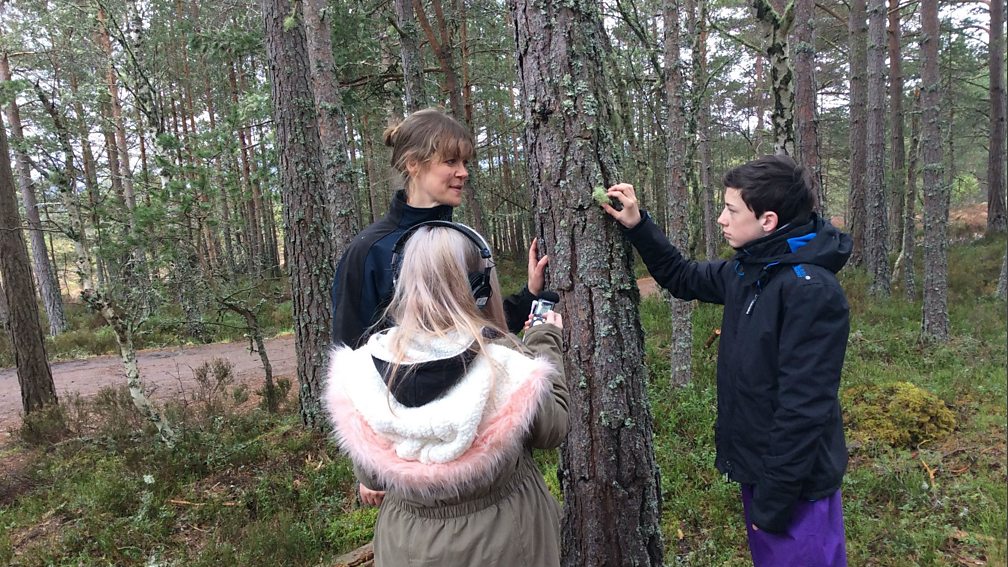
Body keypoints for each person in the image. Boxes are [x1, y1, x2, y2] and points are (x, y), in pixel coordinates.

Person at [602, 155, 851, 566]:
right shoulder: (749, 271)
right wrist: (638, 224)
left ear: (767, 220)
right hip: (764, 472)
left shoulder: (811, 290)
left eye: (731, 210)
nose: (721, 218)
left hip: (796, 486)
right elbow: (682, 276)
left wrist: (773, 500)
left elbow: (805, 408)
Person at [323, 222, 569, 566]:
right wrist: (544, 341)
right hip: (507, 541)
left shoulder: (363, 370)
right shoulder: (504, 364)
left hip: (405, 546)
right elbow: (553, 429)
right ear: (480, 288)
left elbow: (371, 475)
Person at [331, 108, 549, 348]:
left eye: (465, 162)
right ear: (413, 163)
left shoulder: (462, 241)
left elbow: (482, 328)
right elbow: (350, 354)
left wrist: (530, 293)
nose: (464, 172)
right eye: (450, 161)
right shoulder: (368, 251)